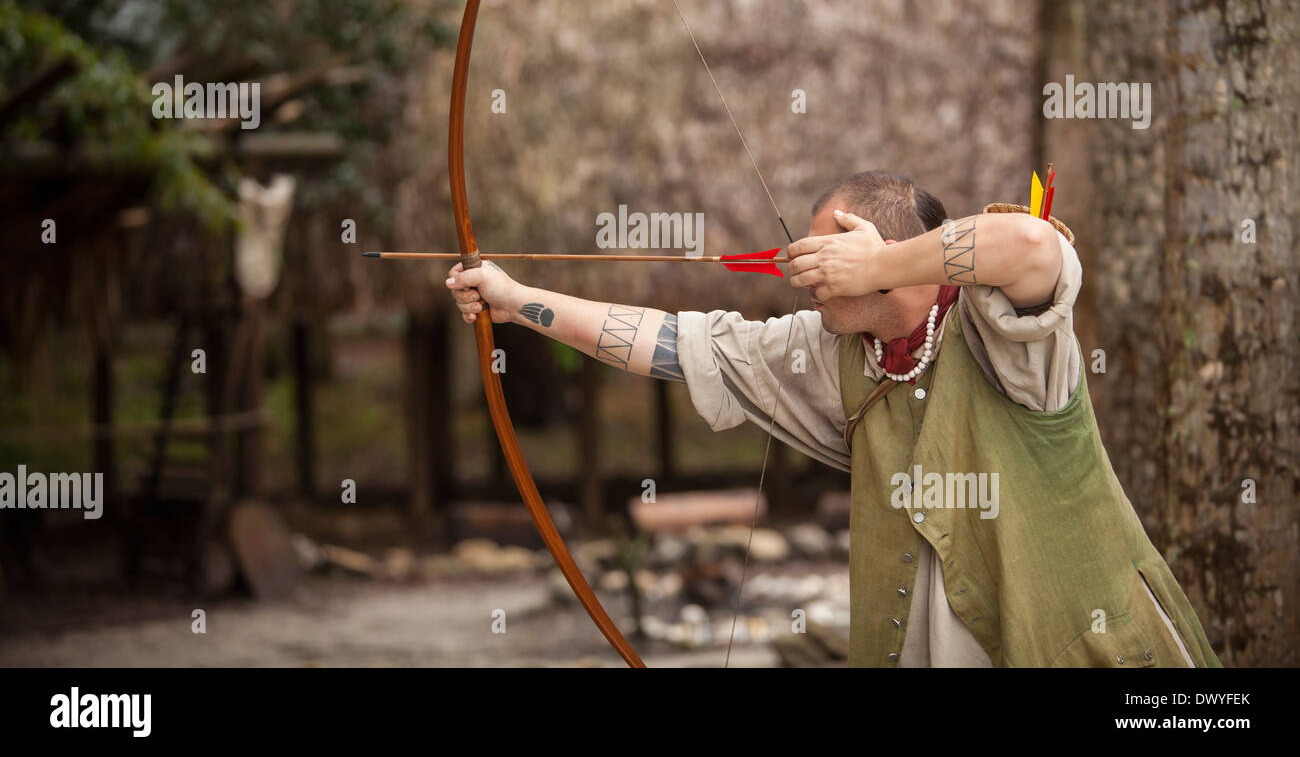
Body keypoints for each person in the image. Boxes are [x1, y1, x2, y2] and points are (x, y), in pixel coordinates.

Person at [445, 170, 1221, 668]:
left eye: (823, 258)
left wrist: (881, 265)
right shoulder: (831, 348)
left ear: (871, 248)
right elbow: (673, 343)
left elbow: (1030, 241)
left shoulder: (1001, 329)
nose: (806, 275)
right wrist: (519, 305)